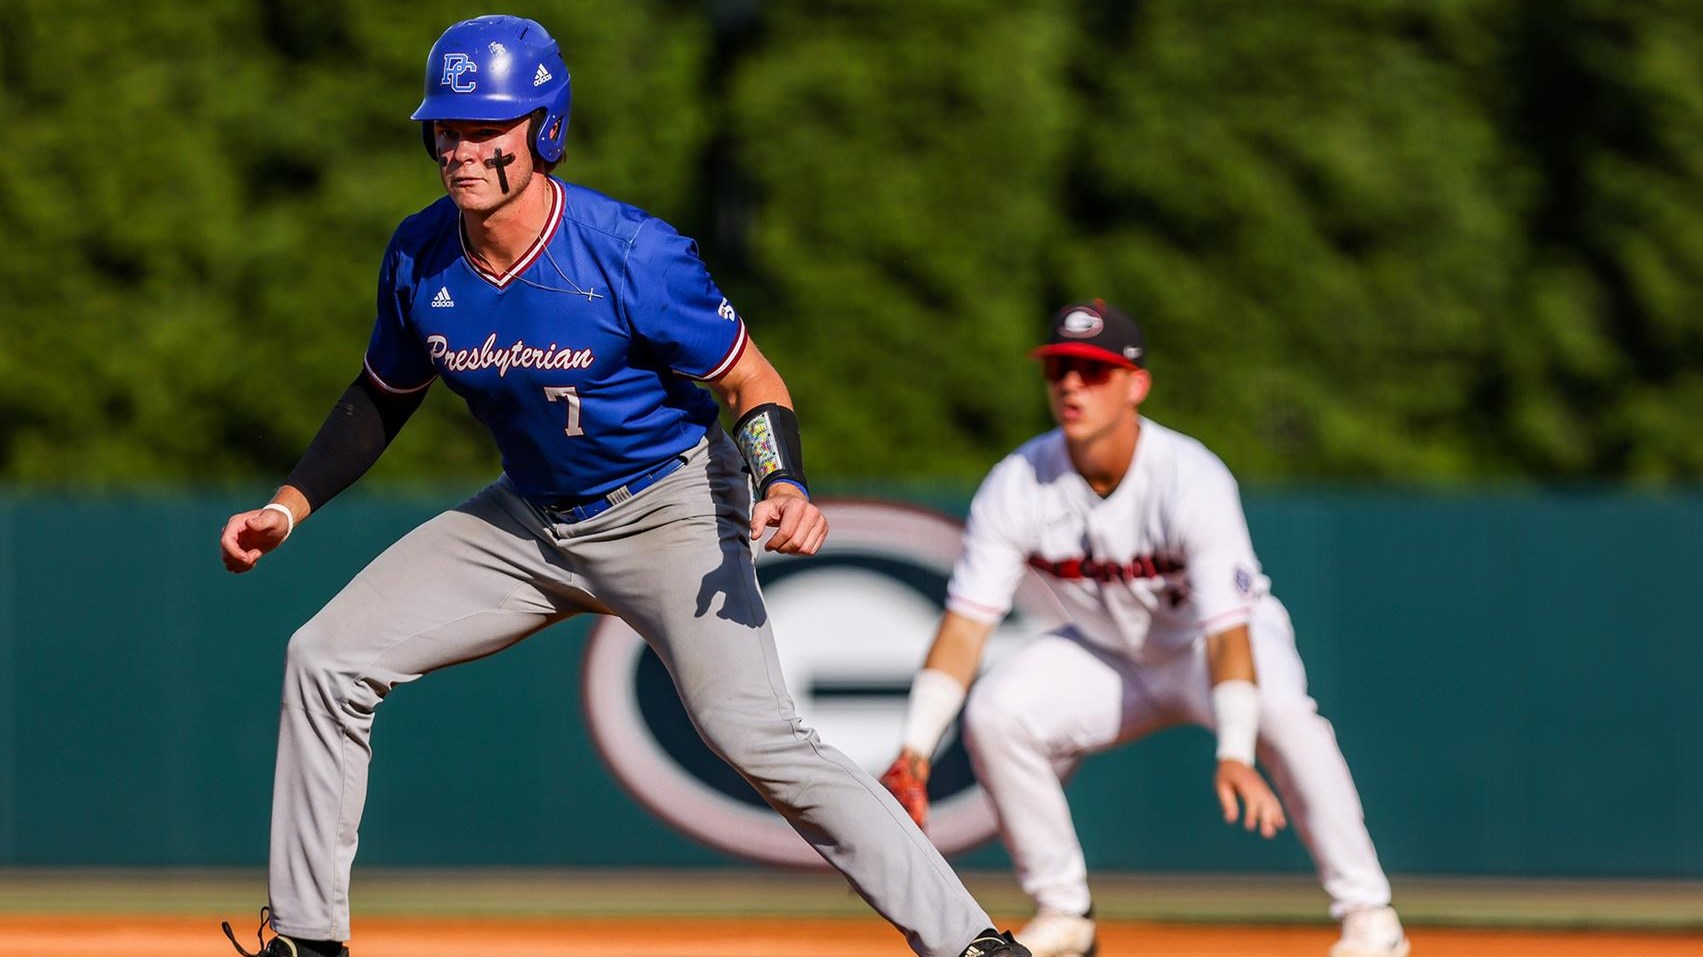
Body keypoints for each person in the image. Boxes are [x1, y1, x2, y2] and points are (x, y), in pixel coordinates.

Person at [217, 16, 1029, 957]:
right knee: (325, 656)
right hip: (524, 521)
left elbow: (748, 379)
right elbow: (381, 395)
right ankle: (309, 940)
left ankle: (970, 942)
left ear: (544, 129)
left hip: (668, 507)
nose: (463, 148)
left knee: (755, 735)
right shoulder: (420, 254)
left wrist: (783, 479)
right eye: (448, 126)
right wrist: (288, 504)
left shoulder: (630, 253)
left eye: (490, 127)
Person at [879, 300, 1410, 957]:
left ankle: (1368, 914)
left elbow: (1225, 632)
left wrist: (1235, 749)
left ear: (1136, 384)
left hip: (1205, 645)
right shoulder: (1018, 482)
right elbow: (965, 626)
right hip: (1111, 656)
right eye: (1059, 369)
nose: (1071, 383)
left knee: (1284, 711)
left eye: (1092, 370)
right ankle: (1066, 912)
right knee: (995, 711)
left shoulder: (1188, 476)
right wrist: (916, 747)